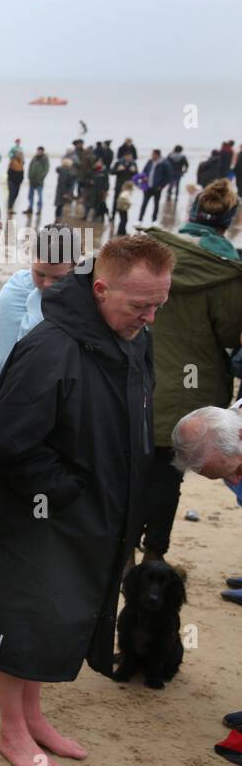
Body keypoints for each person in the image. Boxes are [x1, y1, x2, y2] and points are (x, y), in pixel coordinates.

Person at [0, 235, 175, 766]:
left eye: (159, 305)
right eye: (139, 305)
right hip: (34, 512)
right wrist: (67, 492)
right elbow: (5, 442)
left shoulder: (130, 335)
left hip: (88, 511)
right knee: (21, 613)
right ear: (100, 288)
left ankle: (34, 716)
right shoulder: (51, 346)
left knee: (54, 616)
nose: (149, 317)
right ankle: (12, 730)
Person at [135, 180, 242, 564]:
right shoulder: (226, 270)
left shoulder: (159, 255)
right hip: (191, 392)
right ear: (228, 221)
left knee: (133, 472)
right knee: (169, 477)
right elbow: (230, 332)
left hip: (141, 379)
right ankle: (155, 554)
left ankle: (123, 552)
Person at [0, 224, 79, 383]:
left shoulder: (83, 296)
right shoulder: (13, 294)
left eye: (57, 278)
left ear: (74, 267)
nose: (47, 284)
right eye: (39, 274)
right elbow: (4, 362)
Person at [138, 149, 169, 222]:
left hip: (157, 188)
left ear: (157, 155)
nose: (152, 156)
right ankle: (140, 218)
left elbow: (168, 176)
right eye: (152, 154)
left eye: (153, 154)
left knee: (156, 204)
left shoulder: (164, 163)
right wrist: (143, 178)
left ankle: (154, 219)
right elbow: (144, 171)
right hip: (148, 187)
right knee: (144, 203)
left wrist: (162, 186)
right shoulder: (149, 162)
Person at [25, 146, 49, 217]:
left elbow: (46, 169)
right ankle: (30, 208)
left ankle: (39, 210)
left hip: (39, 182)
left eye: (40, 151)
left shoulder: (45, 159)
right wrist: (29, 176)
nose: (39, 152)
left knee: (40, 196)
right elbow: (30, 167)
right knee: (30, 195)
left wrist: (40, 178)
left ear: (43, 152)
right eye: (38, 151)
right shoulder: (34, 158)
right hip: (32, 181)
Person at [5, 139, 25, 213]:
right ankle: (10, 207)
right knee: (12, 194)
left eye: (20, 154)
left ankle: (11, 206)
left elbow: (22, 172)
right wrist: (10, 179)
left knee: (16, 194)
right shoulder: (12, 161)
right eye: (18, 154)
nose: (19, 155)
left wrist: (21, 179)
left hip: (18, 181)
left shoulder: (21, 162)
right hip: (12, 180)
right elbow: (9, 171)